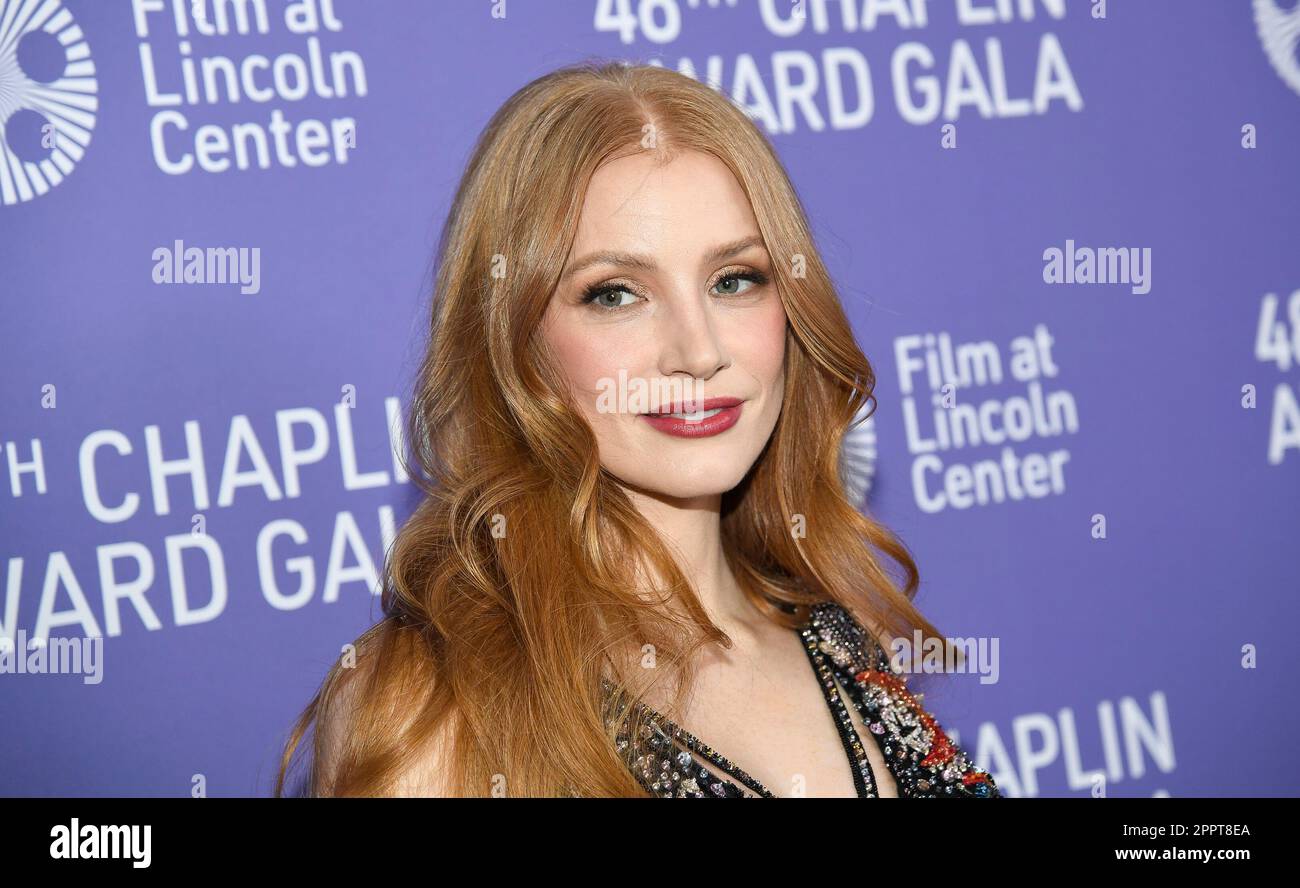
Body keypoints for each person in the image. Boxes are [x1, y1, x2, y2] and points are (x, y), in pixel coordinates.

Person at [276, 60, 1000, 799]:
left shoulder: (838, 636)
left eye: (734, 280)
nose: (699, 351)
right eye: (616, 293)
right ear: (515, 343)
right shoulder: (434, 706)